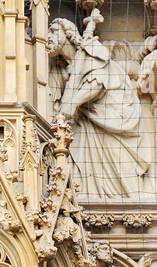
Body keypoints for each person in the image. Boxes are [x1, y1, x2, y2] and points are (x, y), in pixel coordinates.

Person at [48, 14, 150, 199]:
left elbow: (99, 82)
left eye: (54, 31)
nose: (49, 37)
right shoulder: (65, 68)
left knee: (117, 160)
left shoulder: (91, 49)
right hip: (87, 124)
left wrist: (75, 102)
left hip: (112, 118)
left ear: (67, 34)